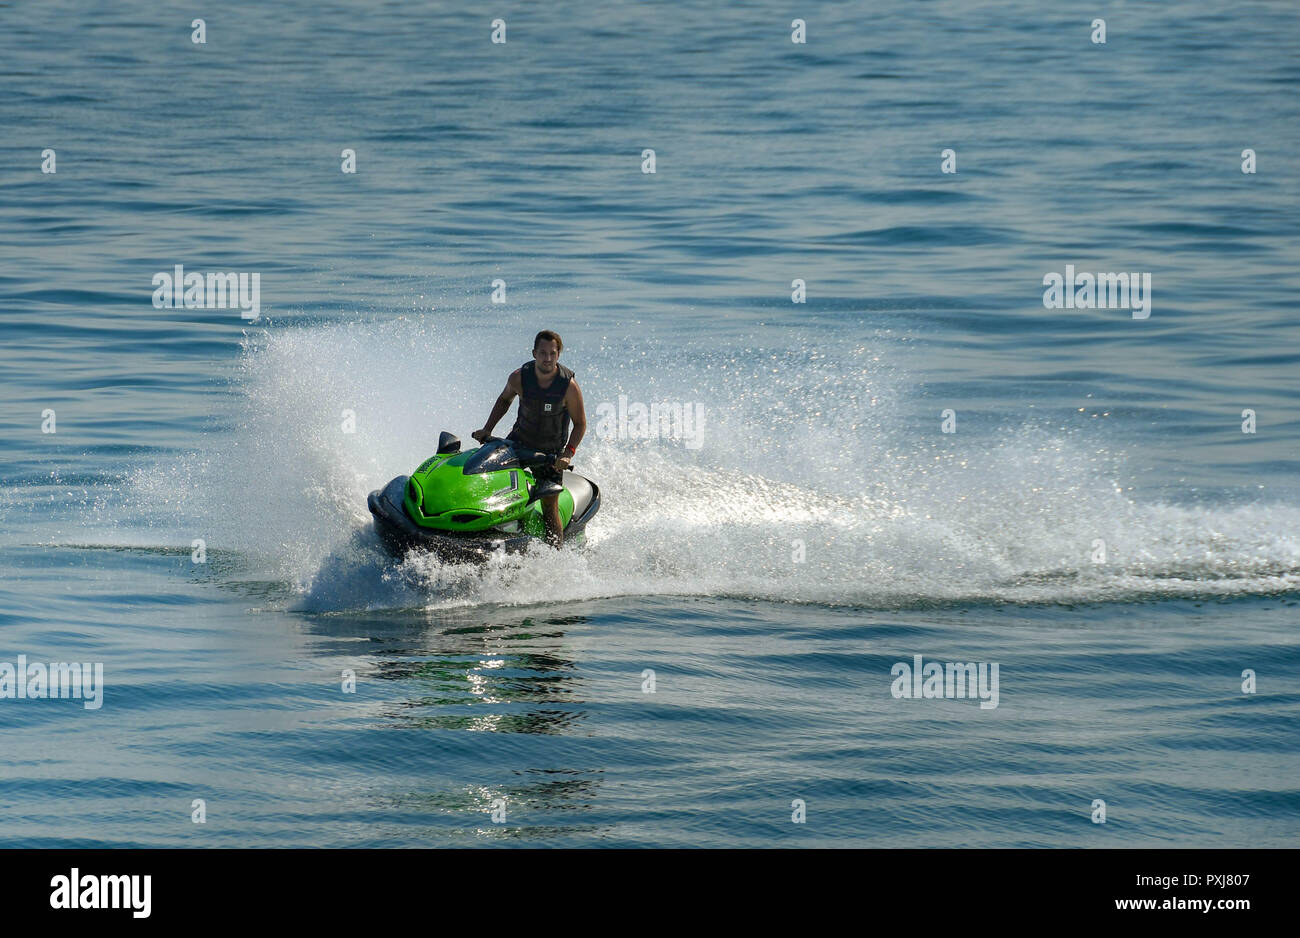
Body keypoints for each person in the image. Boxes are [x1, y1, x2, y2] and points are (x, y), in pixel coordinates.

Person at [472, 330, 587, 546]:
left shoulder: (568, 387)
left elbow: (580, 424)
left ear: (558, 355)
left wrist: (567, 454)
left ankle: (556, 552)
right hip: (517, 444)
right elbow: (504, 400)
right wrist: (487, 429)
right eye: (543, 353)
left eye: (552, 353)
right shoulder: (519, 377)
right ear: (534, 353)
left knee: (548, 504)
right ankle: (485, 531)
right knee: (488, 479)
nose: (548, 358)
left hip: (549, 455)